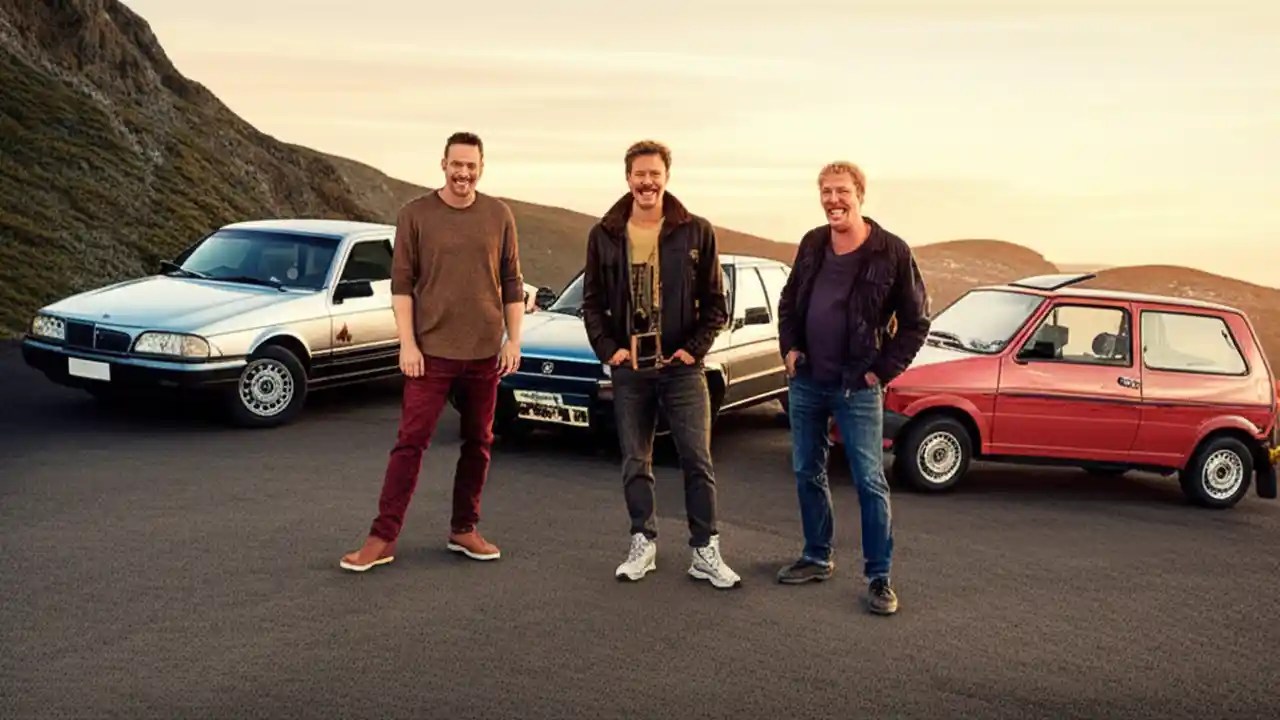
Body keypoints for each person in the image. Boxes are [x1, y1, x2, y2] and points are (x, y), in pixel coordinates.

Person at [340, 131, 524, 572]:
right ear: (443, 164)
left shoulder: (499, 215)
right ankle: (382, 538)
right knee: (410, 444)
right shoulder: (415, 215)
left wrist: (513, 340)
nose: (463, 173)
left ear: (482, 167)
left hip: (485, 354)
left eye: (471, 165)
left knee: (479, 443)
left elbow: (512, 283)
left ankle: (464, 529)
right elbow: (401, 286)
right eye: (456, 164)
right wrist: (408, 343)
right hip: (430, 354)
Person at [580, 140, 740, 589]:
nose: (647, 182)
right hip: (629, 369)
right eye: (639, 174)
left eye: (654, 174)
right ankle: (642, 542)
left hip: (682, 367)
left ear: (666, 177)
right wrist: (608, 349)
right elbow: (591, 304)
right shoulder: (604, 234)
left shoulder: (696, 231)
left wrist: (695, 349)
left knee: (697, 459)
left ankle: (705, 551)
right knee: (635, 459)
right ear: (627, 177)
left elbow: (715, 304)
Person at [774, 161, 931, 614]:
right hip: (806, 381)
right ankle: (816, 556)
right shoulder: (812, 244)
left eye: (841, 191)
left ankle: (879, 577)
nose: (832, 200)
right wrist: (790, 349)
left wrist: (879, 372)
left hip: (856, 387)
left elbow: (916, 322)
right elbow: (789, 301)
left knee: (869, 481)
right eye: (825, 191)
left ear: (859, 194)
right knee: (807, 470)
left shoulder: (891, 252)